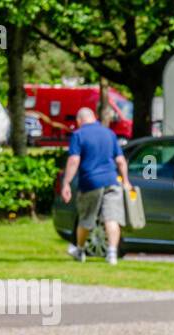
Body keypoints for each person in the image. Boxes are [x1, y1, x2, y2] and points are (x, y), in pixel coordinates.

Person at [59, 106, 130, 265]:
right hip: (112, 180)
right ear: (94, 117)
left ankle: (80, 250)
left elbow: (74, 160)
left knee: (86, 219)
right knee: (111, 218)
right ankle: (112, 254)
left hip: (91, 182)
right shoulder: (109, 133)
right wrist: (125, 181)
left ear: (79, 121)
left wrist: (66, 183)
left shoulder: (78, 135)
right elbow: (120, 160)